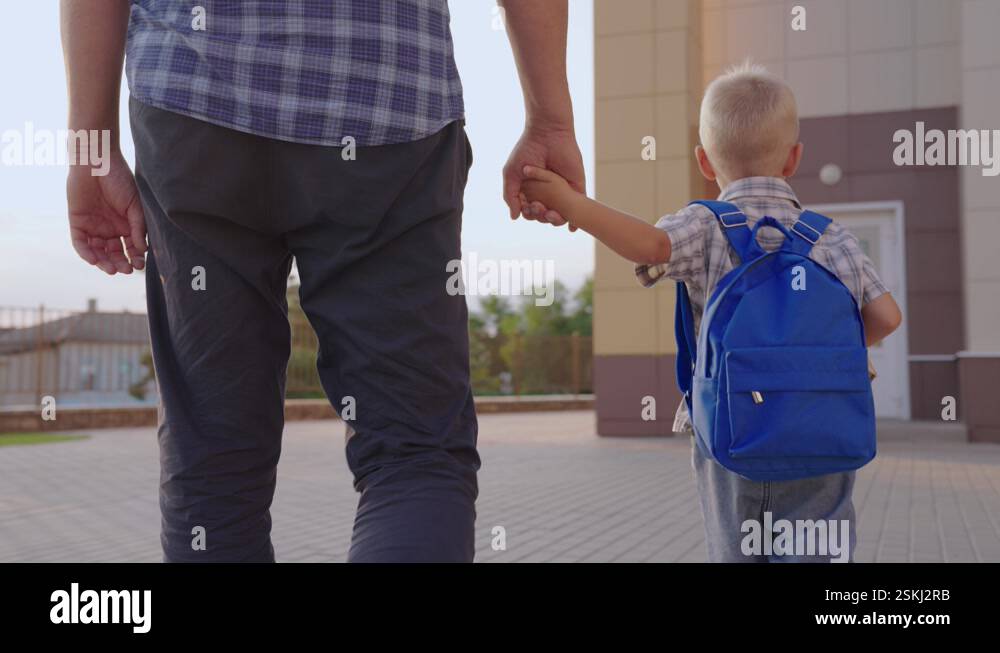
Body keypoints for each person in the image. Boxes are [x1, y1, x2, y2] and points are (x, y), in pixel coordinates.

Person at [60, 0, 584, 563]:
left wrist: (90, 147)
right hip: (389, 98)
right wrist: (550, 120)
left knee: (211, 449)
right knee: (415, 451)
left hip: (196, 100)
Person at [519, 61, 903, 562]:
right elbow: (887, 316)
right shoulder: (830, 235)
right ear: (793, 159)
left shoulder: (705, 226)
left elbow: (650, 245)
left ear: (704, 161)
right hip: (822, 428)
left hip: (733, 429)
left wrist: (572, 203)